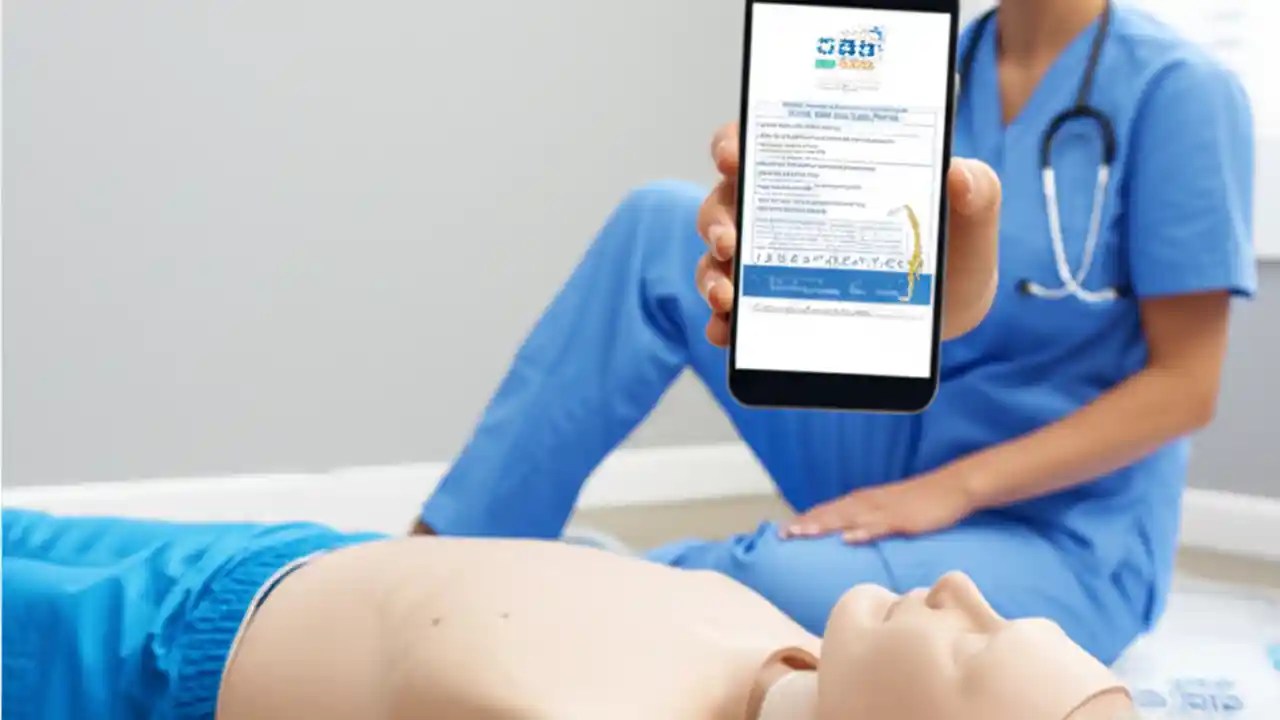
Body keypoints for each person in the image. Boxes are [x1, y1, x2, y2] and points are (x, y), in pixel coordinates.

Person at [415, 0, 1255, 666]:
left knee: (771, 582)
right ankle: (434, 560)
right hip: (905, 438)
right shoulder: (930, 68)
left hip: (1066, 532)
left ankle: (538, 587)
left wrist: (948, 492)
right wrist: (759, 262)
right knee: (657, 225)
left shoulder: (1180, 92)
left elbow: (1185, 388)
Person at [2, 508, 1136, 719]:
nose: (961, 591)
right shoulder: (790, 649)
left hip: (148, 666)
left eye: (980, 649)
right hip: (286, 558)